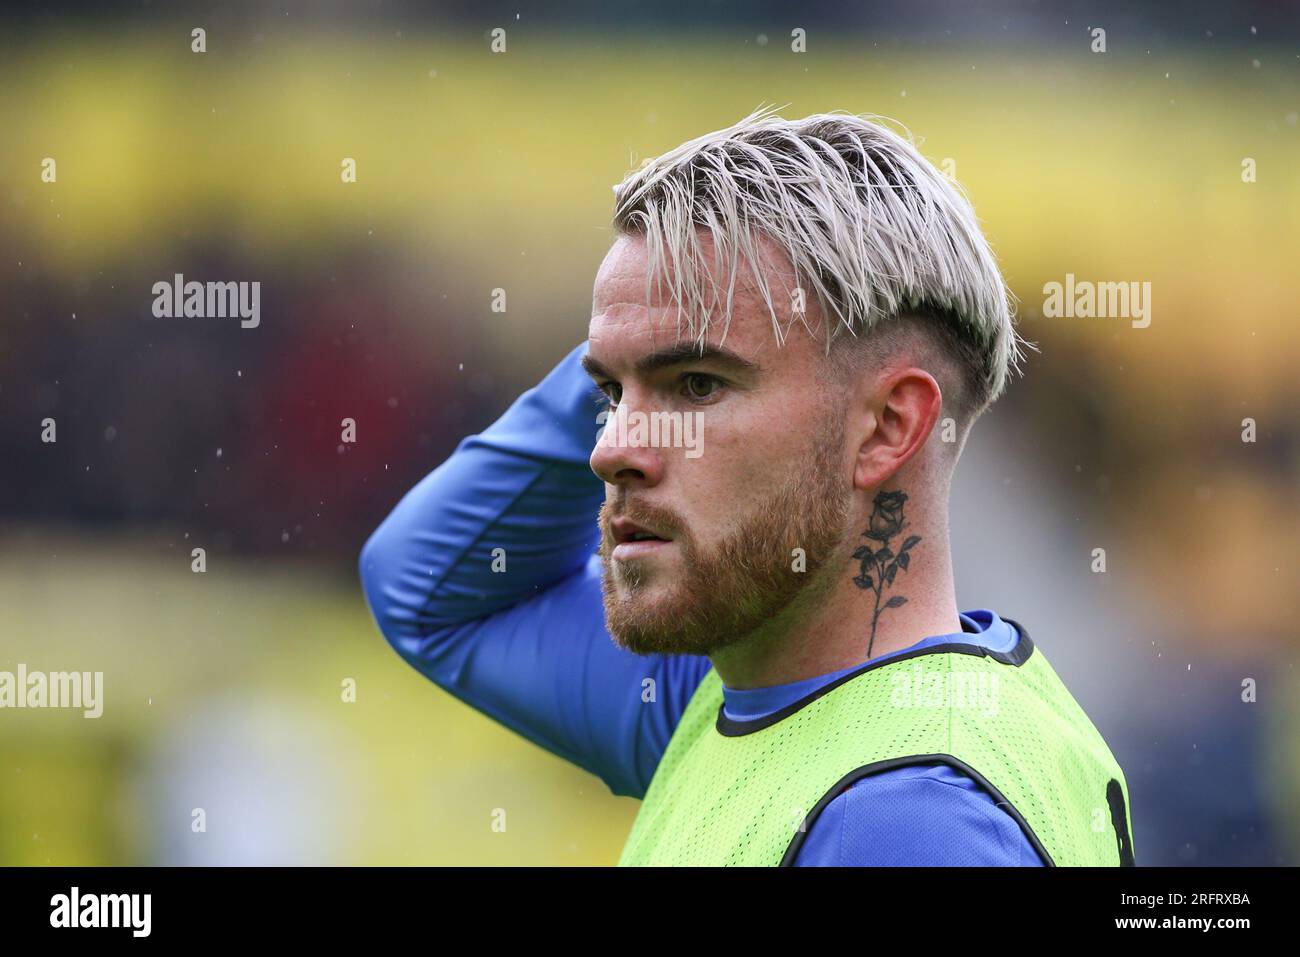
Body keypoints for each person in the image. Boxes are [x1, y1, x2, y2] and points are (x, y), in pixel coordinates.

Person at [360, 107, 1136, 866]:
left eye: (696, 384)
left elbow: (433, 600)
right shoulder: (743, 684)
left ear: (889, 426)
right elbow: (430, 590)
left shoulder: (903, 823)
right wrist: (657, 313)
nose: (609, 450)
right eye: (609, 393)